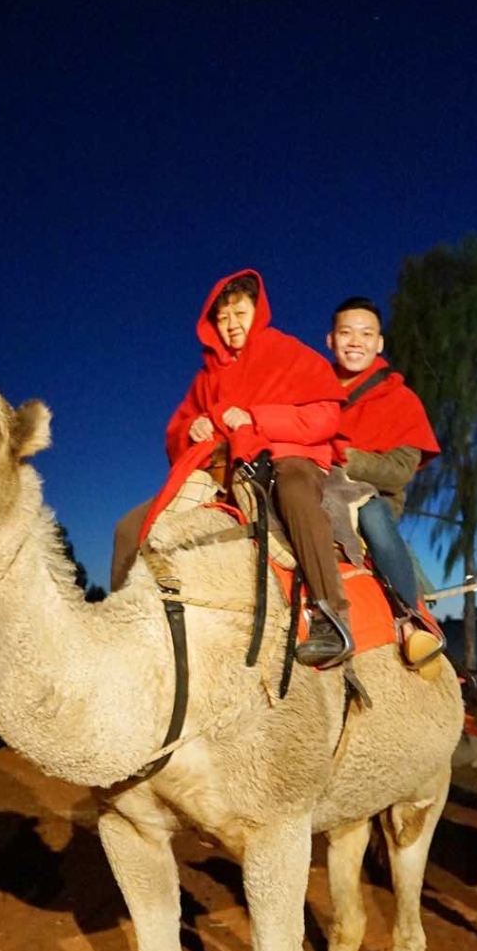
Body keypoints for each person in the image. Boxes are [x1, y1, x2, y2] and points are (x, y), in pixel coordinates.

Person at [116, 269, 354, 666]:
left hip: (288, 455)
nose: (231, 325)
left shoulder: (289, 352)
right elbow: (177, 430)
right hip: (221, 472)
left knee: (294, 491)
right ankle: (125, 623)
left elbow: (325, 418)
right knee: (129, 528)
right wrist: (192, 428)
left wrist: (258, 419)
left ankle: (332, 616)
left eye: (240, 313)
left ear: (257, 311)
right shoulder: (207, 376)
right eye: (223, 318)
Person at [326, 296, 444, 669]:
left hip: (370, 497)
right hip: (316, 487)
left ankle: (412, 620)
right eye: (346, 333)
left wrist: (345, 457)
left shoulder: (401, 400)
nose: (355, 342)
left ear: (379, 343)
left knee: (375, 518)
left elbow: (400, 470)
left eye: (365, 334)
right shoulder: (310, 388)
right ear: (330, 340)